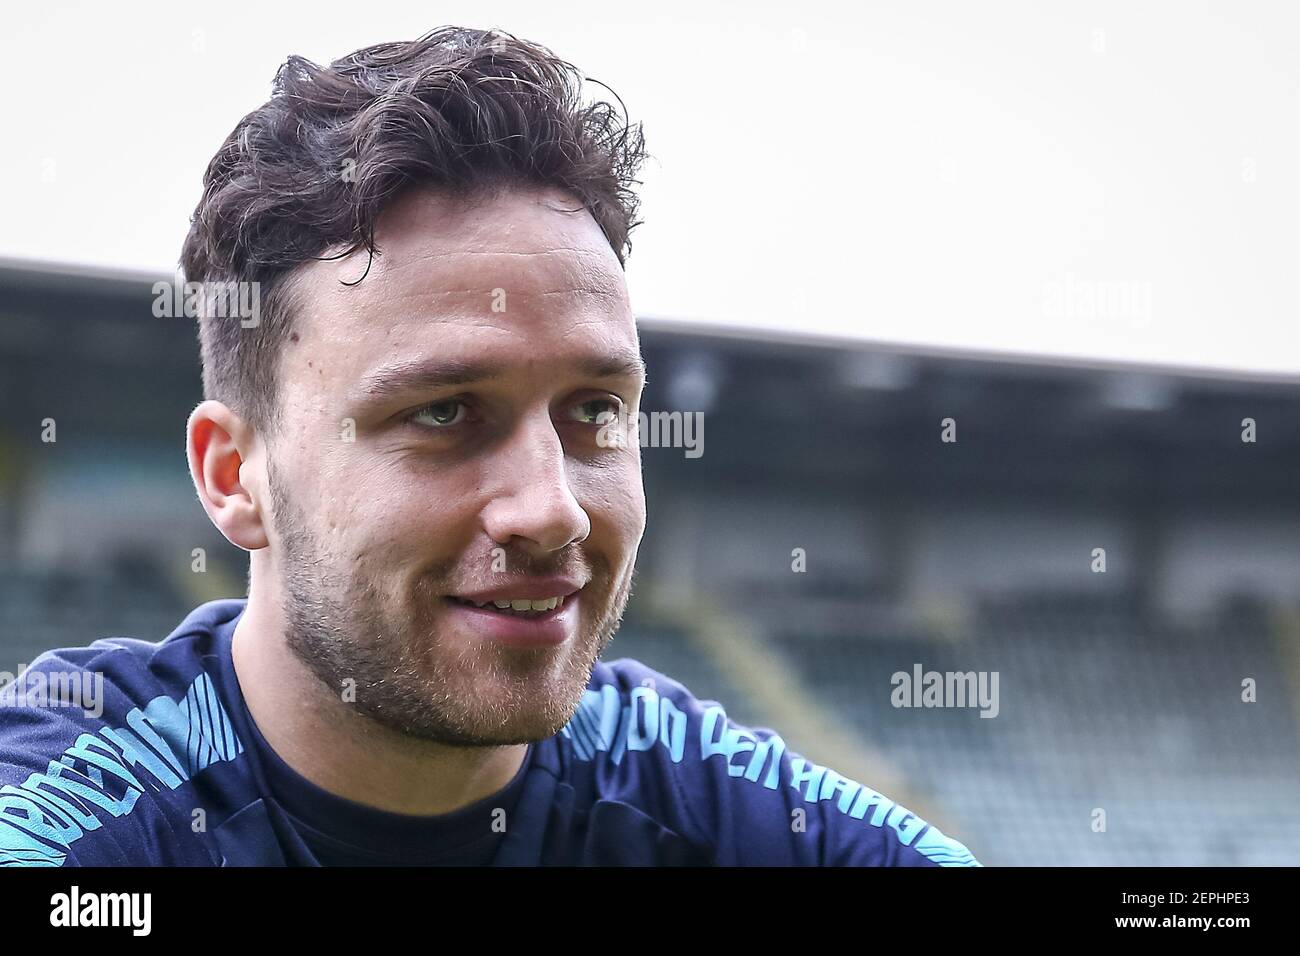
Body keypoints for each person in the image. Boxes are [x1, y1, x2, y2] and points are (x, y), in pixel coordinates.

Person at [0, 26, 979, 867]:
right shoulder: (80, 817)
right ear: (234, 474)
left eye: (594, 410)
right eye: (442, 413)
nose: (551, 507)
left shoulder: (716, 807)